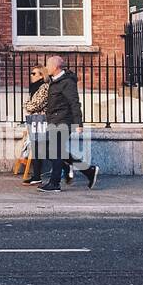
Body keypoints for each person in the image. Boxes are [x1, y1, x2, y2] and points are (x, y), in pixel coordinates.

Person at [40, 54, 99, 193]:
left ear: (55, 67)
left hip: (63, 121)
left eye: (48, 65)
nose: (46, 67)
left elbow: (75, 103)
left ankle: (55, 183)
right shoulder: (54, 81)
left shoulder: (66, 82)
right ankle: (87, 171)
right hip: (54, 121)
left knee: (56, 151)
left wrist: (79, 123)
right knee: (49, 150)